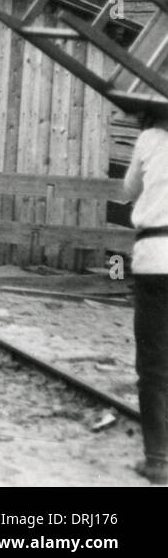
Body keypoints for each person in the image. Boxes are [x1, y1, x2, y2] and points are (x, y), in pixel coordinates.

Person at [123, 109, 168, 485]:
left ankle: (158, 460)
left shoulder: (150, 139)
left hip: (156, 257)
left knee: (153, 362)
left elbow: (127, 191)